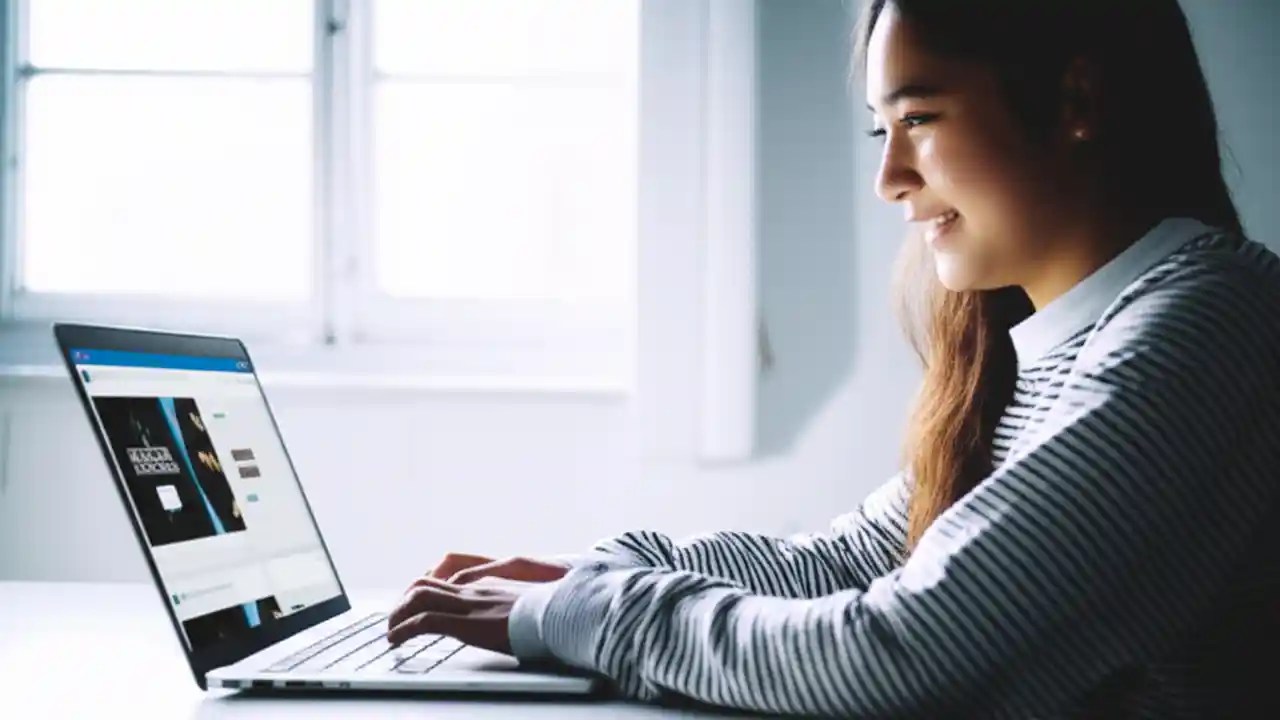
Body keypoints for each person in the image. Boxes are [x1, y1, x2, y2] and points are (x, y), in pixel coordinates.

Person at [386, 0, 1280, 716]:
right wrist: (596, 572)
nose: (889, 177)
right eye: (878, 130)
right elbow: (845, 561)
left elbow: (896, 650)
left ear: (1077, 102)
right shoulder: (1058, 346)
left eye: (919, 117)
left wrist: (594, 612)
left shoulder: (1206, 321)